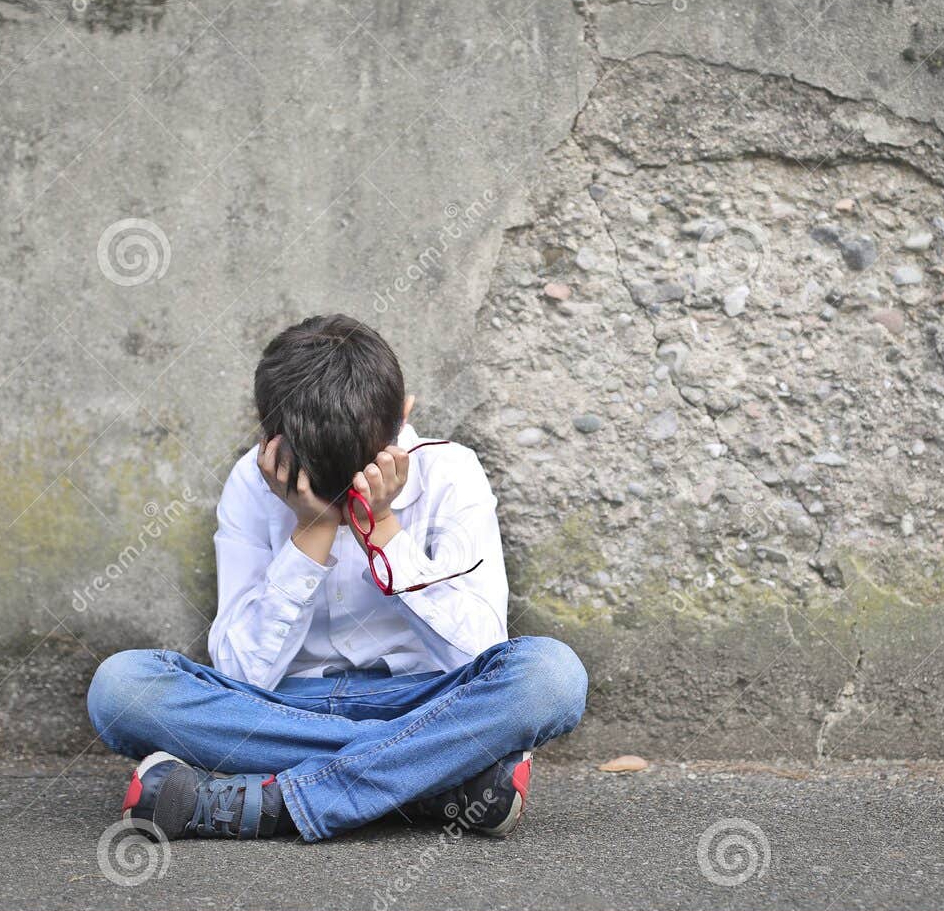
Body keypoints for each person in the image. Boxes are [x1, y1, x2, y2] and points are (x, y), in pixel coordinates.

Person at [85, 314, 587, 841]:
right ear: (270, 440)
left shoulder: (452, 471)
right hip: (283, 706)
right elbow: (242, 669)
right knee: (121, 689)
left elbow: (477, 650)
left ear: (404, 418)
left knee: (551, 676)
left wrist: (385, 527)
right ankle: (431, 778)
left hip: (426, 697)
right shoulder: (251, 485)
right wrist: (314, 529)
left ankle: (275, 800)